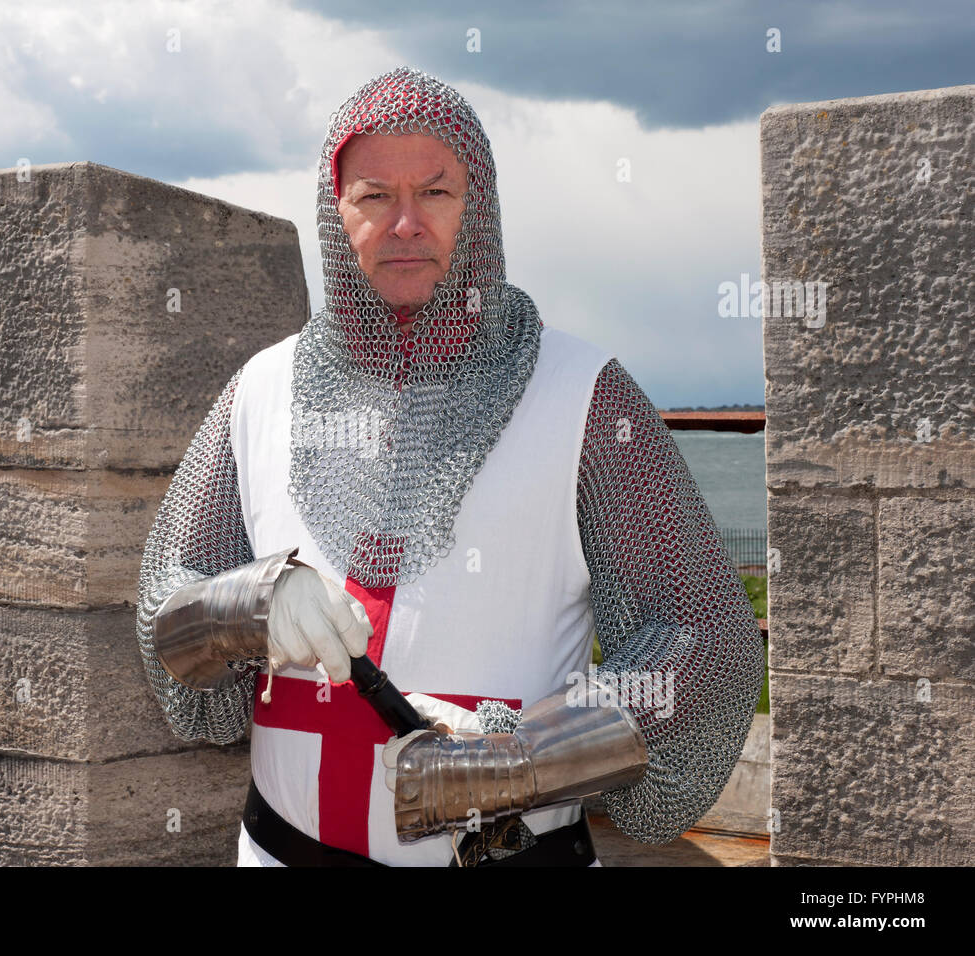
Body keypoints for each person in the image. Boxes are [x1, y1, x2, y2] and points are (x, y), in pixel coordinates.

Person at [135, 65, 765, 867]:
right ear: (337, 214)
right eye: (373, 197)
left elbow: (704, 638)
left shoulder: (582, 397)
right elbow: (168, 593)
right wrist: (245, 608)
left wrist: (522, 762)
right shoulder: (262, 389)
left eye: (434, 193)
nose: (404, 224)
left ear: (479, 209)